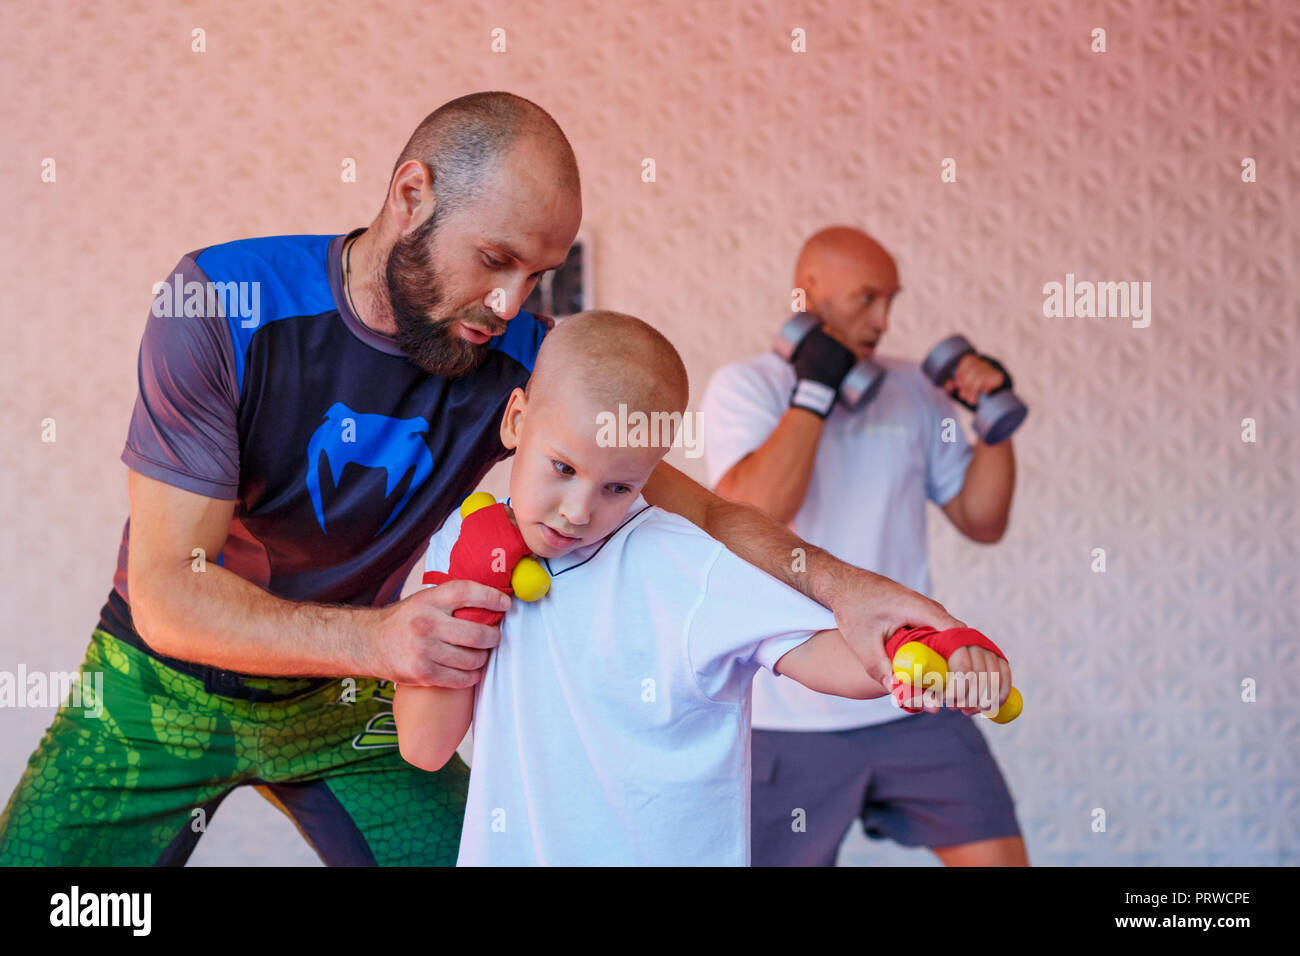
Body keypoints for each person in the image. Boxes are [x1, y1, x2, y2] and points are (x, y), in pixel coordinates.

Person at [0, 99, 961, 867]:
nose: (508, 306)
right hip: (159, 683)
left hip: (353, 693)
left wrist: (854, 590)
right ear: (410, 194)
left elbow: (703, 510)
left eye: (537, 277)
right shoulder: (221, 302)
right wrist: (382, 637)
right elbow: (173, 591)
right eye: (495, 260)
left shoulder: (530, 365)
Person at [395, 311, 1013, 865]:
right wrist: (469, 589)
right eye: (563, 468)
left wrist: (922, 661)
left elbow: (819, 652)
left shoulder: (683, 560)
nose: (579, 511)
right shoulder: (463, 542)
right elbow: (424, 746)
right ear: (516, 419)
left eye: (619, 487)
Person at [702, 226, 1029, 867]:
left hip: (917, 695)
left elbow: (983, 520)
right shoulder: (746, 387)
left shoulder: (913, 389)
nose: (883, 321)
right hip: (787, 715)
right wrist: (815, 390)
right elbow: (752, 515)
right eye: (866, 299)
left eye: (891, 300)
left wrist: (993, 416)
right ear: (809, 294)